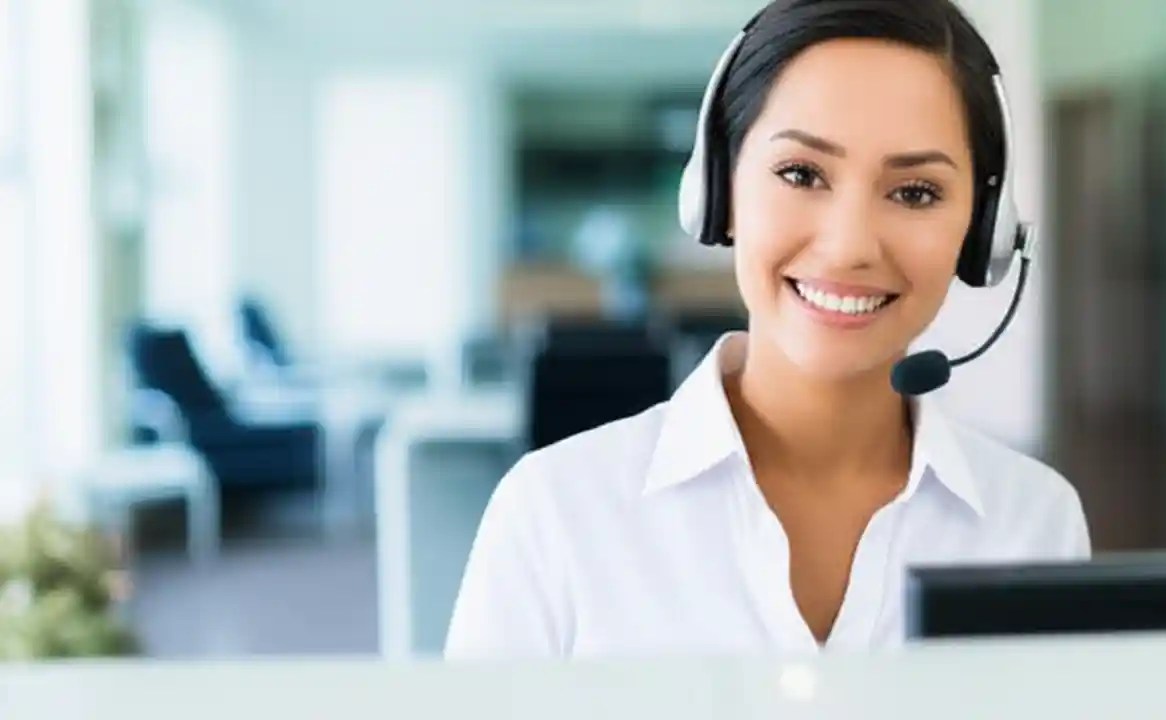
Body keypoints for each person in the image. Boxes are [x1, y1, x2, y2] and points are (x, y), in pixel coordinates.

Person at [446, 0, 1090, 659]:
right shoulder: (556, 511)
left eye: (915, 192)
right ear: (717, 191)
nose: (848, 247)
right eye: (801, 174)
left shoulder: (1034, 520)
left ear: (984, 234)